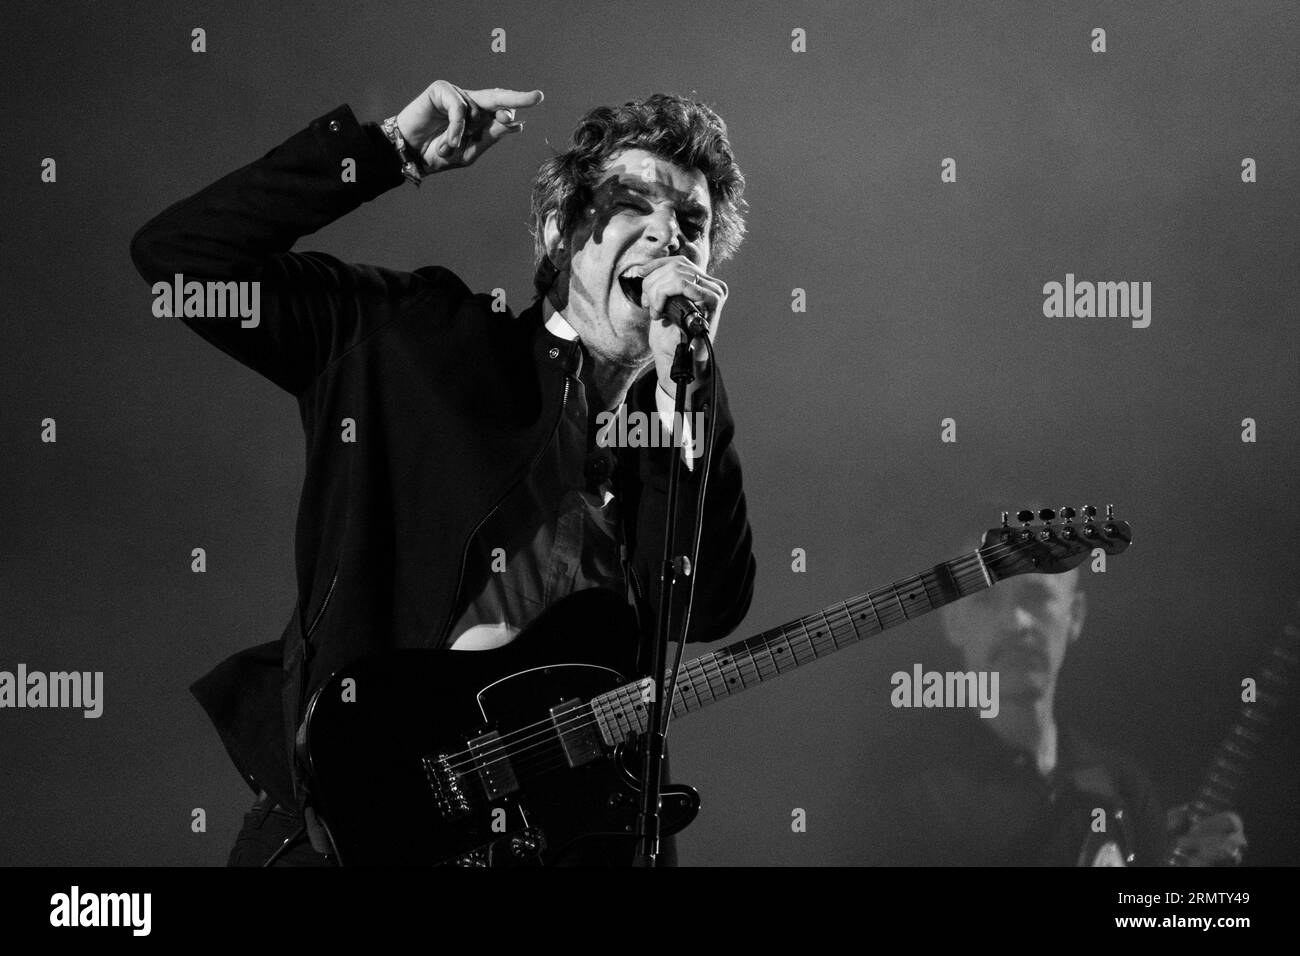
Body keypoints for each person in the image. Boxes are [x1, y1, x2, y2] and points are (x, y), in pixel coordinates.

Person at [130, 80, 756, 865]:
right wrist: (382, 151)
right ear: (561, 232)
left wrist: (682, 397)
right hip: (358, 828)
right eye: (635, 202)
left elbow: (708, 605)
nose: (670, 233)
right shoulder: (417, 341)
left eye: (692, 223)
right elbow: (183, 259)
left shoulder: (676, 414)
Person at [868, 558, 1247, 866]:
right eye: (985, 599)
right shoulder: (899, 795)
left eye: (1035, 596)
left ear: (1075, 615)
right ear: (953, 620)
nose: (1015, 622)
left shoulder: (1124, 791)